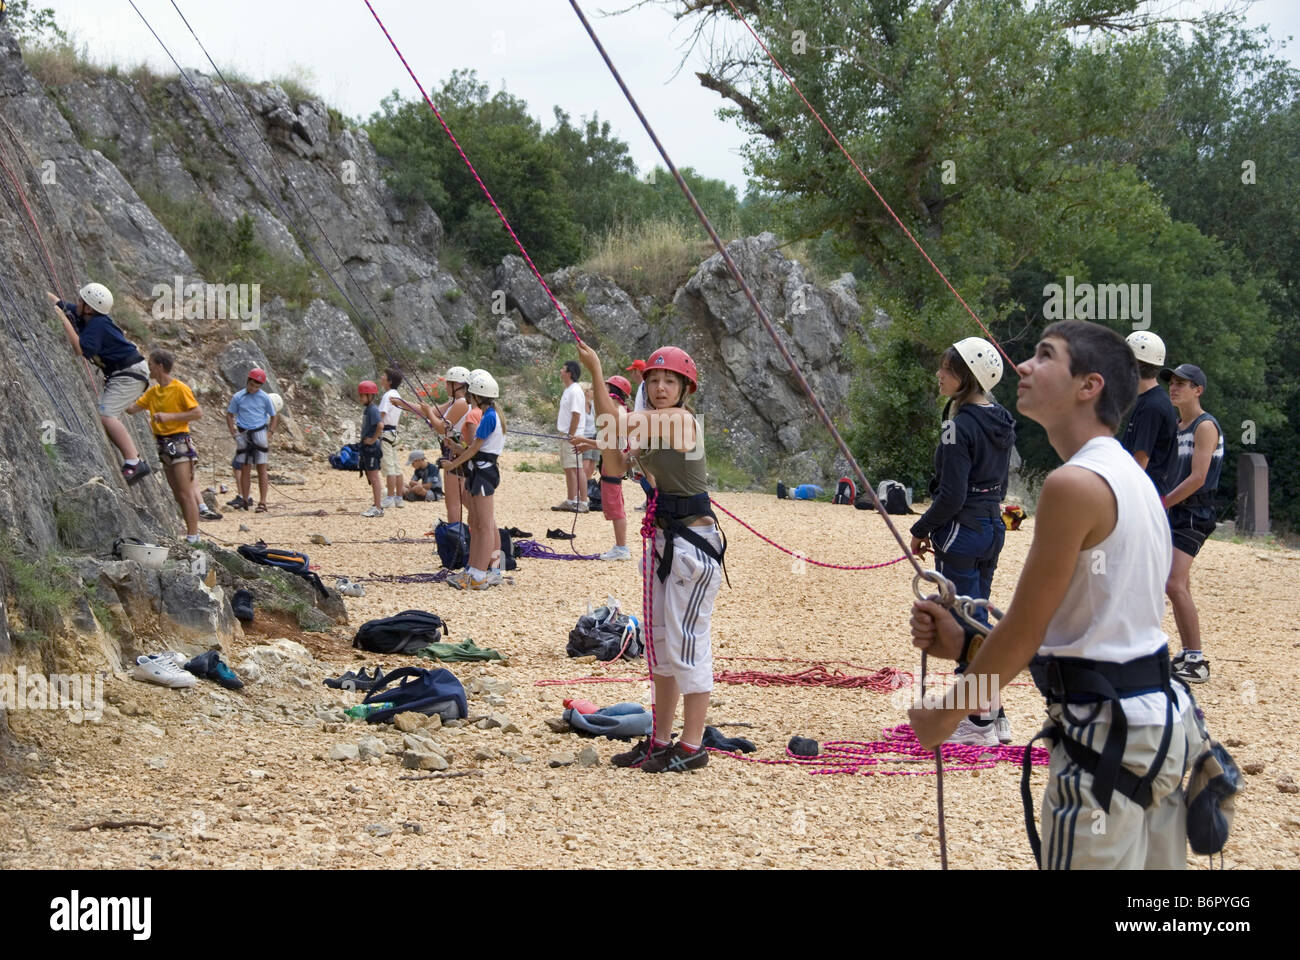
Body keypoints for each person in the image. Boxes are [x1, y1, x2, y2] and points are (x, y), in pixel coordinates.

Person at [909, 320, 1195, 870]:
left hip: (1104, 738)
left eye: (1044, 356)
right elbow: (1092, 632)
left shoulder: (1072, 485)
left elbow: (1023, 632)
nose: (1022, 366)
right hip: (1159, 725)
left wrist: (945, 715)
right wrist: (967, 647)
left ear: (1089, 386)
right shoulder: (1133, 481)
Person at [577, 340, 724, 773]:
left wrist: (597, 371)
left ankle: (692, 744)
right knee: (661, 646)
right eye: (654, 380)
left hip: (692, 545)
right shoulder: (653, 426)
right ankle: (661, 739)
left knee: (688, 644)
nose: (660, 387)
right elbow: (616, 467)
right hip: (666, 543)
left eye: (669, 381)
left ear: (684, 389)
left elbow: (615, 422)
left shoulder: (681, 422)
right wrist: (603, 442)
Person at [908, 336, 1016, 746]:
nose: (940, 374)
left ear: (965, 378)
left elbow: (951, 494)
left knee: (964, 625)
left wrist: (921, 528)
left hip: (963, 531)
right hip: (992, 526)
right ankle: (997, 715)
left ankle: (979, 722)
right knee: (980, 618)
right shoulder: (1002, 418)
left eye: (947, 370)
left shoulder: (958, 426)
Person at [1159, 362, 1224, 684]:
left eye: (1182, 383)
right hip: (1177, 512)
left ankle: (1196, 660)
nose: (1174, 387)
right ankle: (1188, 654)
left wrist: (1161, 503)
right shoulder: (1176, 426)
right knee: (1175, 583)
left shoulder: (1204, 426)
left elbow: (1198, 478)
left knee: (1174, 583)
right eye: (1172, 382)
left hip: (1195, 514)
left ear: (1198, 390)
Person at [49, 283, 152, 484]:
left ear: (89, 308)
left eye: (81, 301)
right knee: (107, 415)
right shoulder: (89, 316)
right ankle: (134, 460)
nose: (77, 302)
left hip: (129, 372)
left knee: (106, 415)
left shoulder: (98, 325)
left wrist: (63, 321)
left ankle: (134, 461)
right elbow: (59, 303)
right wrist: (51, 300)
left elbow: (80, 349)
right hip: (128, 372)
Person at [125, 349, 203, 542]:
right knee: (177, 493)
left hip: (179, 441)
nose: (149, 367)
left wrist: (170, 417)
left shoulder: (180, 388)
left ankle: (194, 536)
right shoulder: (153, 392)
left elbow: (197, 413)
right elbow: (132, 409)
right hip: (163, 444)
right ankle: (190, 533)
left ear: (160, 366)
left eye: (151, 364)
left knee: (185, 492)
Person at [440, 370, 505, 590]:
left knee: (484, 525)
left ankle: (479, 573)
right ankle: (472, 569)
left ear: (477, 395)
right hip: (480, 472)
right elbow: (476, 450)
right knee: (476, 524)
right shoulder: (489, 415)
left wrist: (453, 464)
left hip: (483, 475)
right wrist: (456, 448)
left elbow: (475, 449)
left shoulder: (488, 417)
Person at [573, 375, 633, 560]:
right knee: (615, 504)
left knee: (615, 507)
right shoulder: (620, 410)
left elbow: (607, 442)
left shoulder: (614, 410)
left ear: (612, 391)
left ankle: (621, 548)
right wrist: (587, 444)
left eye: (605, 388)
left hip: (612, 464)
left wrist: (583, 441)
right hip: (614, 462)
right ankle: (620, 547)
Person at [1120, 331, 1178, 496]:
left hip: (1143, 497)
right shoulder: (1149, 400)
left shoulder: (1152, 406)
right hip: (1146, 495)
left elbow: (1140, 462)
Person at [421, 366, 472, 527]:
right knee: (462, 498)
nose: (446, 386)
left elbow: (441, 427)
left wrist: (428, 412)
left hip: (455, 454)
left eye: (448, 383)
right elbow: (432, 412)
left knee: (453, 501)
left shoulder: (461, 403)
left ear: (456, 385)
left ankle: (456, 538)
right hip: (456, 452)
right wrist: (402, 403)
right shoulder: (454, 402)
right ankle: (473, 531)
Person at [225, 368, 277, 512]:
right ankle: (245, 499)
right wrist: (233, 432)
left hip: (260, 432)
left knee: (261, 467)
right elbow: (229, 414)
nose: (253, 389)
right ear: (248, 381)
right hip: (243, 433)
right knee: (245, 467)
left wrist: (270, 433)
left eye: (257, 386)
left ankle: (263, 502)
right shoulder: (238, 397)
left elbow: (274, 416)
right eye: (252, 385)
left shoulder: (265, 398)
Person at [554, 359, 588, 513]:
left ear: (569, 373)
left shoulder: (574, 390)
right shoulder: (568, 390)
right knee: (570, 468)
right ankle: (572, 499)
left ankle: (581, 502)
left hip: (572, 436)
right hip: (566, 434)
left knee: (576, 468)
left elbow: (576, 415)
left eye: (563, 368)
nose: (560, 371)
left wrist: (571, 435)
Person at [377, 367, 406, 509]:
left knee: (389, 466)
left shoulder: (387, 396)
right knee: (396, 466)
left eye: (384, 375)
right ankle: (399, 498)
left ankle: (389, 497)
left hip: (387, 433)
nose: (381, 377)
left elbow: (381, 419)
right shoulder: (397, 395)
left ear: (389, 381)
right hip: (394, 432)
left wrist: (374, 436)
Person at [357, 380, 385, 517]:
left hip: (372, 448)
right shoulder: (368, 409)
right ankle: (377, 504)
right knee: (372, 476)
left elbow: (380, 425)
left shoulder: (373, 409)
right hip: (368, 448)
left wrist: (373, 440)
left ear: (370, 396)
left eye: (362, 395)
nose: (360, 398)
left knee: (374, 477)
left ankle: (378, 507)